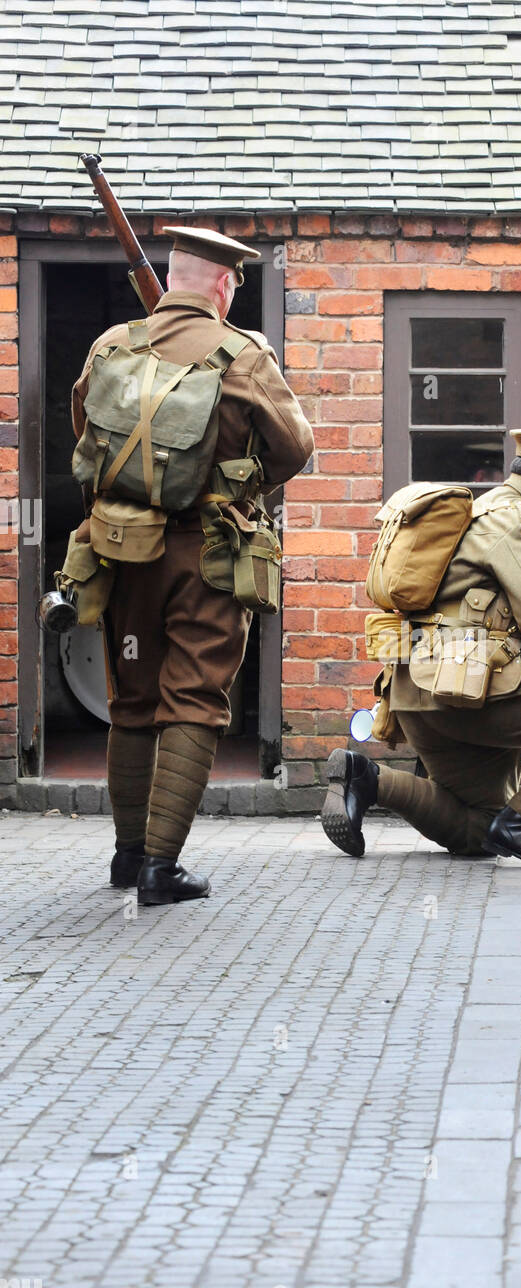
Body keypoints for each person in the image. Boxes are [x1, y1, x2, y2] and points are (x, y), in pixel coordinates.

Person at [71, 226, 314, 904]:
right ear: (224, 285)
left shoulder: (111, 344)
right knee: (194, 700)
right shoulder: (244, 352)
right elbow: (295, 448)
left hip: (121, 550)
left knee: (132, 700)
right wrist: (239, 482)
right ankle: (160, 868)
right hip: (206, 553)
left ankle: (125, 856)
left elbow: (84, 431)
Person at [321, 427, 521, 868]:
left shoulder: (485, 507)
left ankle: (368, 780)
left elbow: (497, 611)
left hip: (419, 694)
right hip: (468, 696)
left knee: (481, 832)